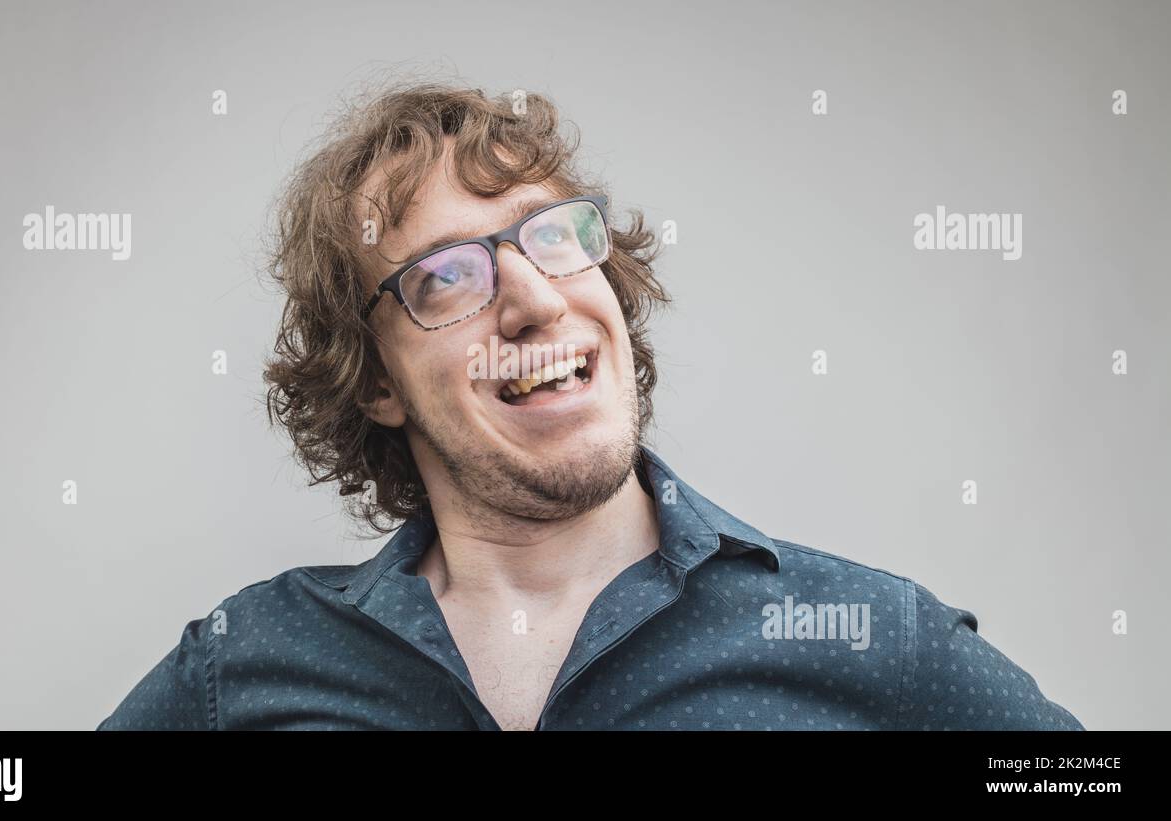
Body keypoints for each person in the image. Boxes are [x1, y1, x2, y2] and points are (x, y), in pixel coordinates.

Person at [98, 82, 1083, 731]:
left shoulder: (869, 635)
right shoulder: (253, 662)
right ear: (377, 382)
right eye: (446, 277)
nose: (535, 299)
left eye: (558, 239)